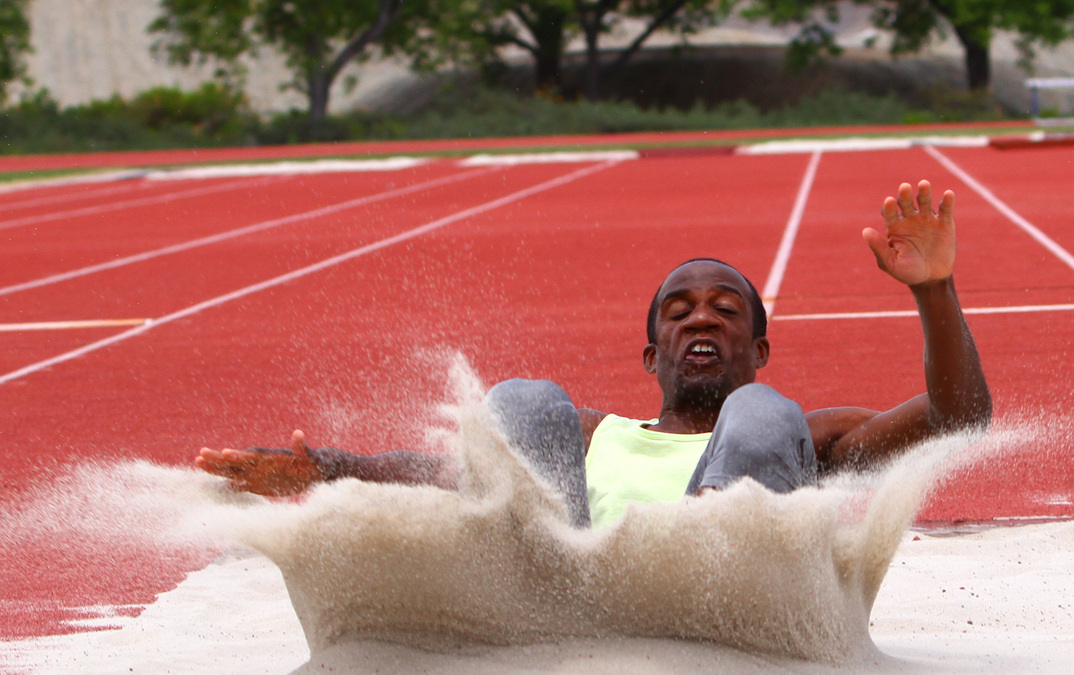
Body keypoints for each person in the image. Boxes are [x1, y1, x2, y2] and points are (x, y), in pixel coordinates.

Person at [196, 179, 991, 528]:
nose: (700, 318)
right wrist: (327, 466)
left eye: (724, 308)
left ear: (759, 346)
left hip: (725, 583)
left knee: (759, 415)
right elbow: (456, 473)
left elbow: (961, 418)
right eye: (678, 312)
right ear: (653, 357)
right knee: (521, 400)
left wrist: (934, 290)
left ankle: (705, 538)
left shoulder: (802, 437)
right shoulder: (588, 436)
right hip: (583, 579)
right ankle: (559, 557)